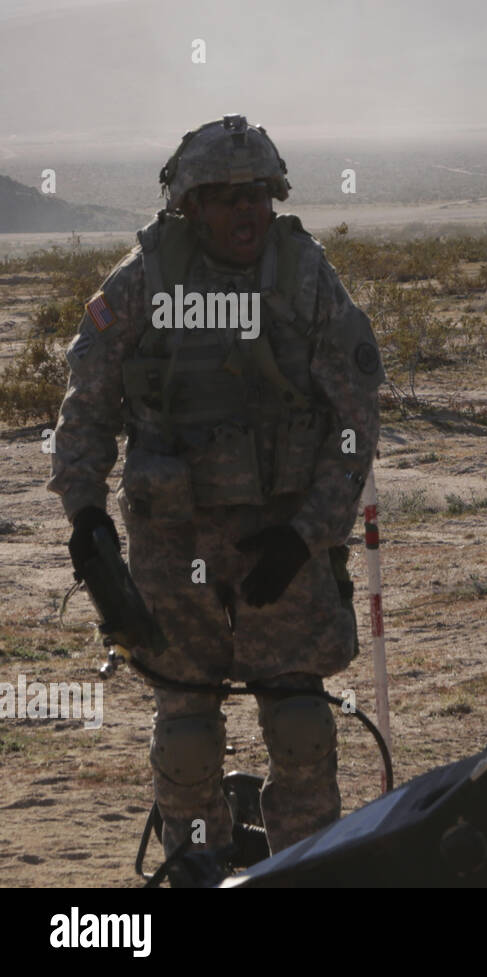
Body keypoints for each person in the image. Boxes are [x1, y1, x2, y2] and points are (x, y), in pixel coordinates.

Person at [49, 115, 385, 861]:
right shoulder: (144, 282)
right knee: (188, 737)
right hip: (176, 551)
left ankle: (304, 872)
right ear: (191, 205)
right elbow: (86, 410)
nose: (247, 211)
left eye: (260, 193)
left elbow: (357, 420)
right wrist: (85, 517)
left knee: (300, 727)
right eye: (227, 196)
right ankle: (196, 866)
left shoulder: (304, 278)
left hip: (285, 546)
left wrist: (309, 535)